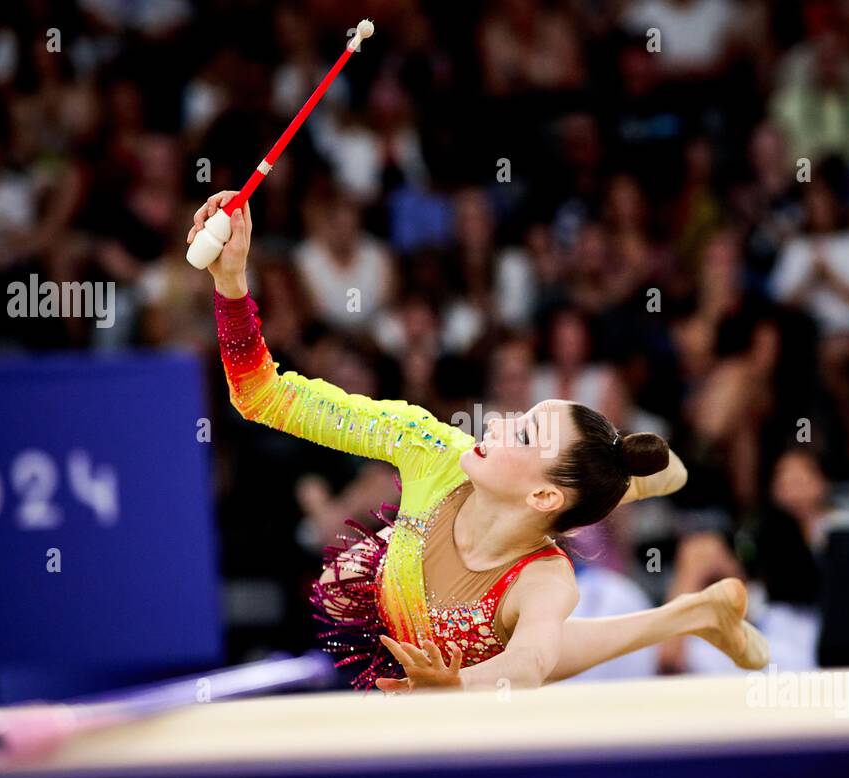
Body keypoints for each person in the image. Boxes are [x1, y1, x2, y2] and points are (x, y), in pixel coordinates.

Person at [193, 191, 768, 692]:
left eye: (522, 433)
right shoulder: (430, 446)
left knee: (512, 635)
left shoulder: (546, 578)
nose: (493, 423)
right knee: (503, 609)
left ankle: (688, 592)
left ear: (545, 499)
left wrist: (456, 682)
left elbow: (530, 661)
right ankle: (660, 533)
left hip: (482, 645)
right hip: (445, 597)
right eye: (515, 416)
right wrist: (231, 283)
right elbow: (261, 397)